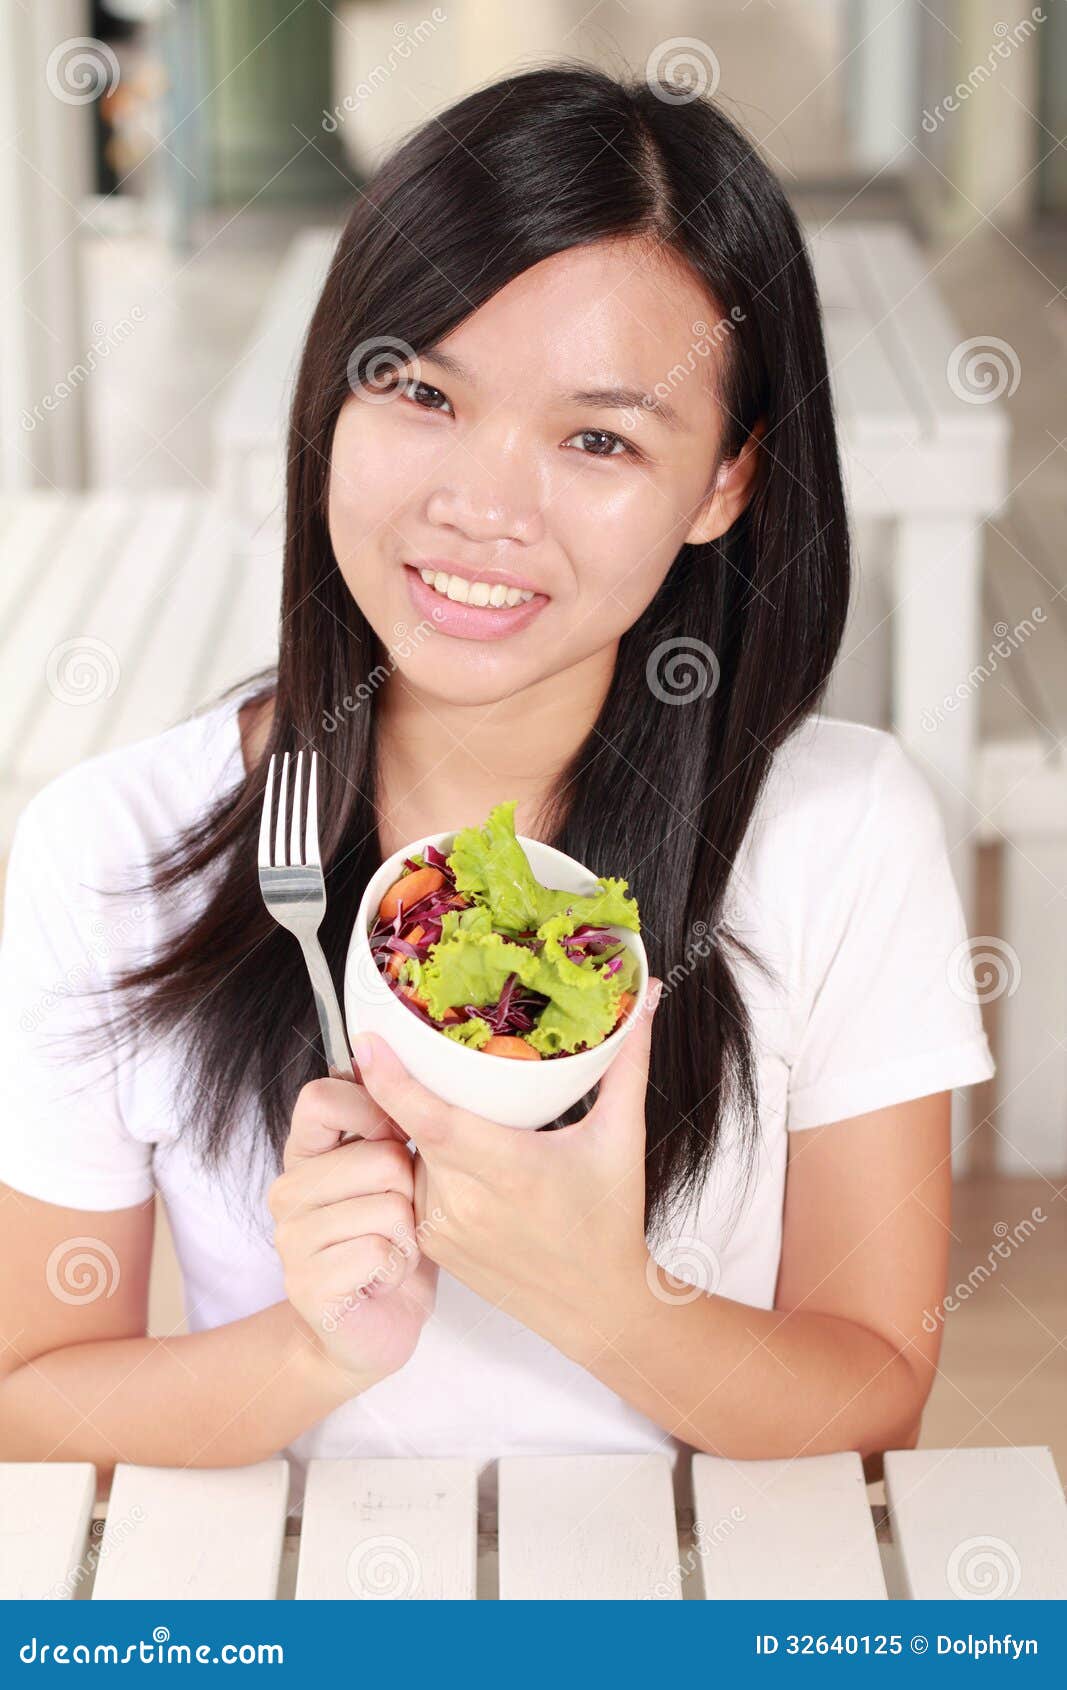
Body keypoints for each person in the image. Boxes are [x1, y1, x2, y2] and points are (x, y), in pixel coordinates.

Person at [0, 63, 992, 1504]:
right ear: (332, 392)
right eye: (421, 388)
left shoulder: (843, 836)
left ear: (724, 479)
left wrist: (603, 1295)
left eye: (599, 437)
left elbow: (871, 1402)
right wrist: (316, 1352)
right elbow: (31, 1401)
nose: (484, 507)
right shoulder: (116, 847)